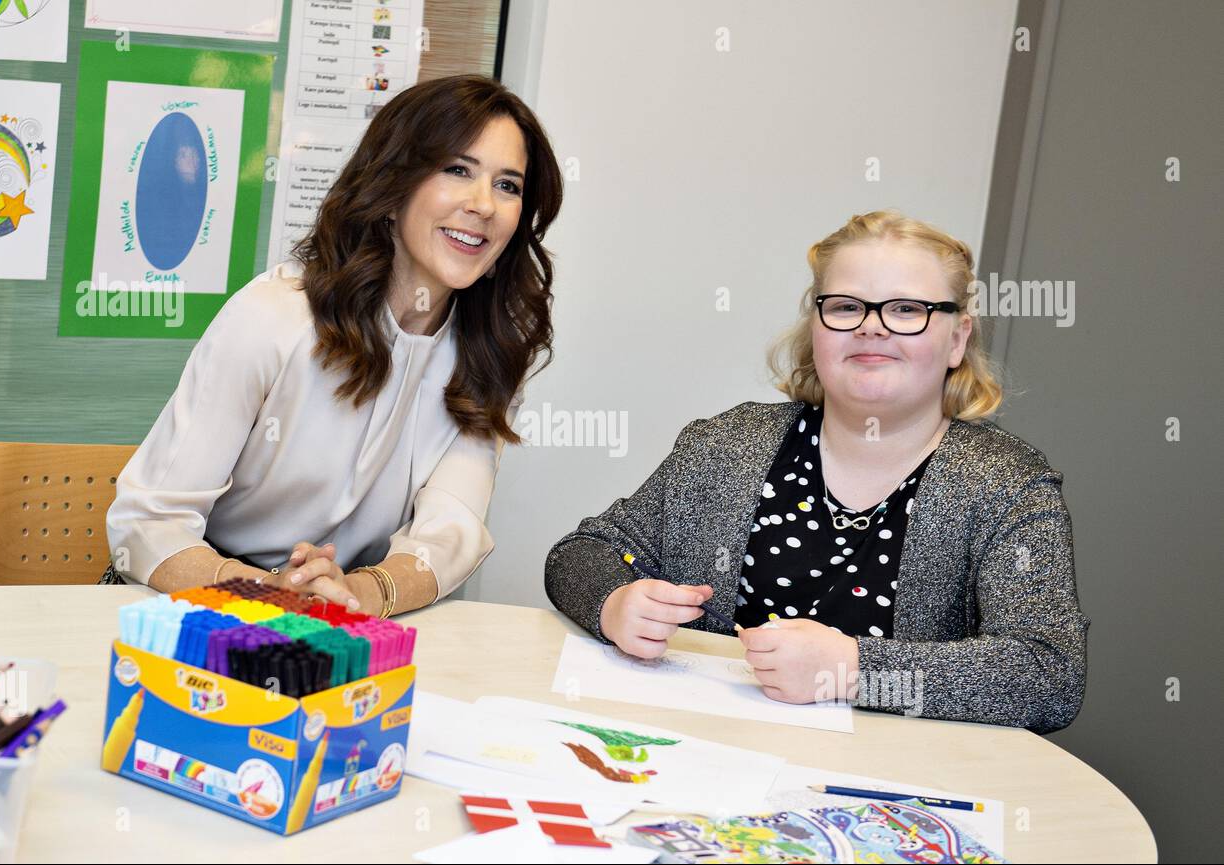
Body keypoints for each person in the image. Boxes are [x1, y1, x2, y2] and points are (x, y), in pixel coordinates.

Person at [545, 210, 1087, 732]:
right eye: (847, 306)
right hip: (710, 760)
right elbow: (581, 553)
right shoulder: (725, 445)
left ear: (956, 339)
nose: (872, 329)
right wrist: (613, 604)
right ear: (817, 327)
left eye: (906, 310)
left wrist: (852, 670)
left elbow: (1048, 674)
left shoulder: (1006, 484)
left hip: (890, 792)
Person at [104, 75, 562, 620]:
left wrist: (358, 594)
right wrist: (268, 593)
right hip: (200, 599)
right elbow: (147, 523)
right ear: (393, 190)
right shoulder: (274, 316)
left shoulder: (492, 352)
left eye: (508, 185)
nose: (484, 204)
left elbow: (449, 531)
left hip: (345, 612)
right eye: (457, 170)